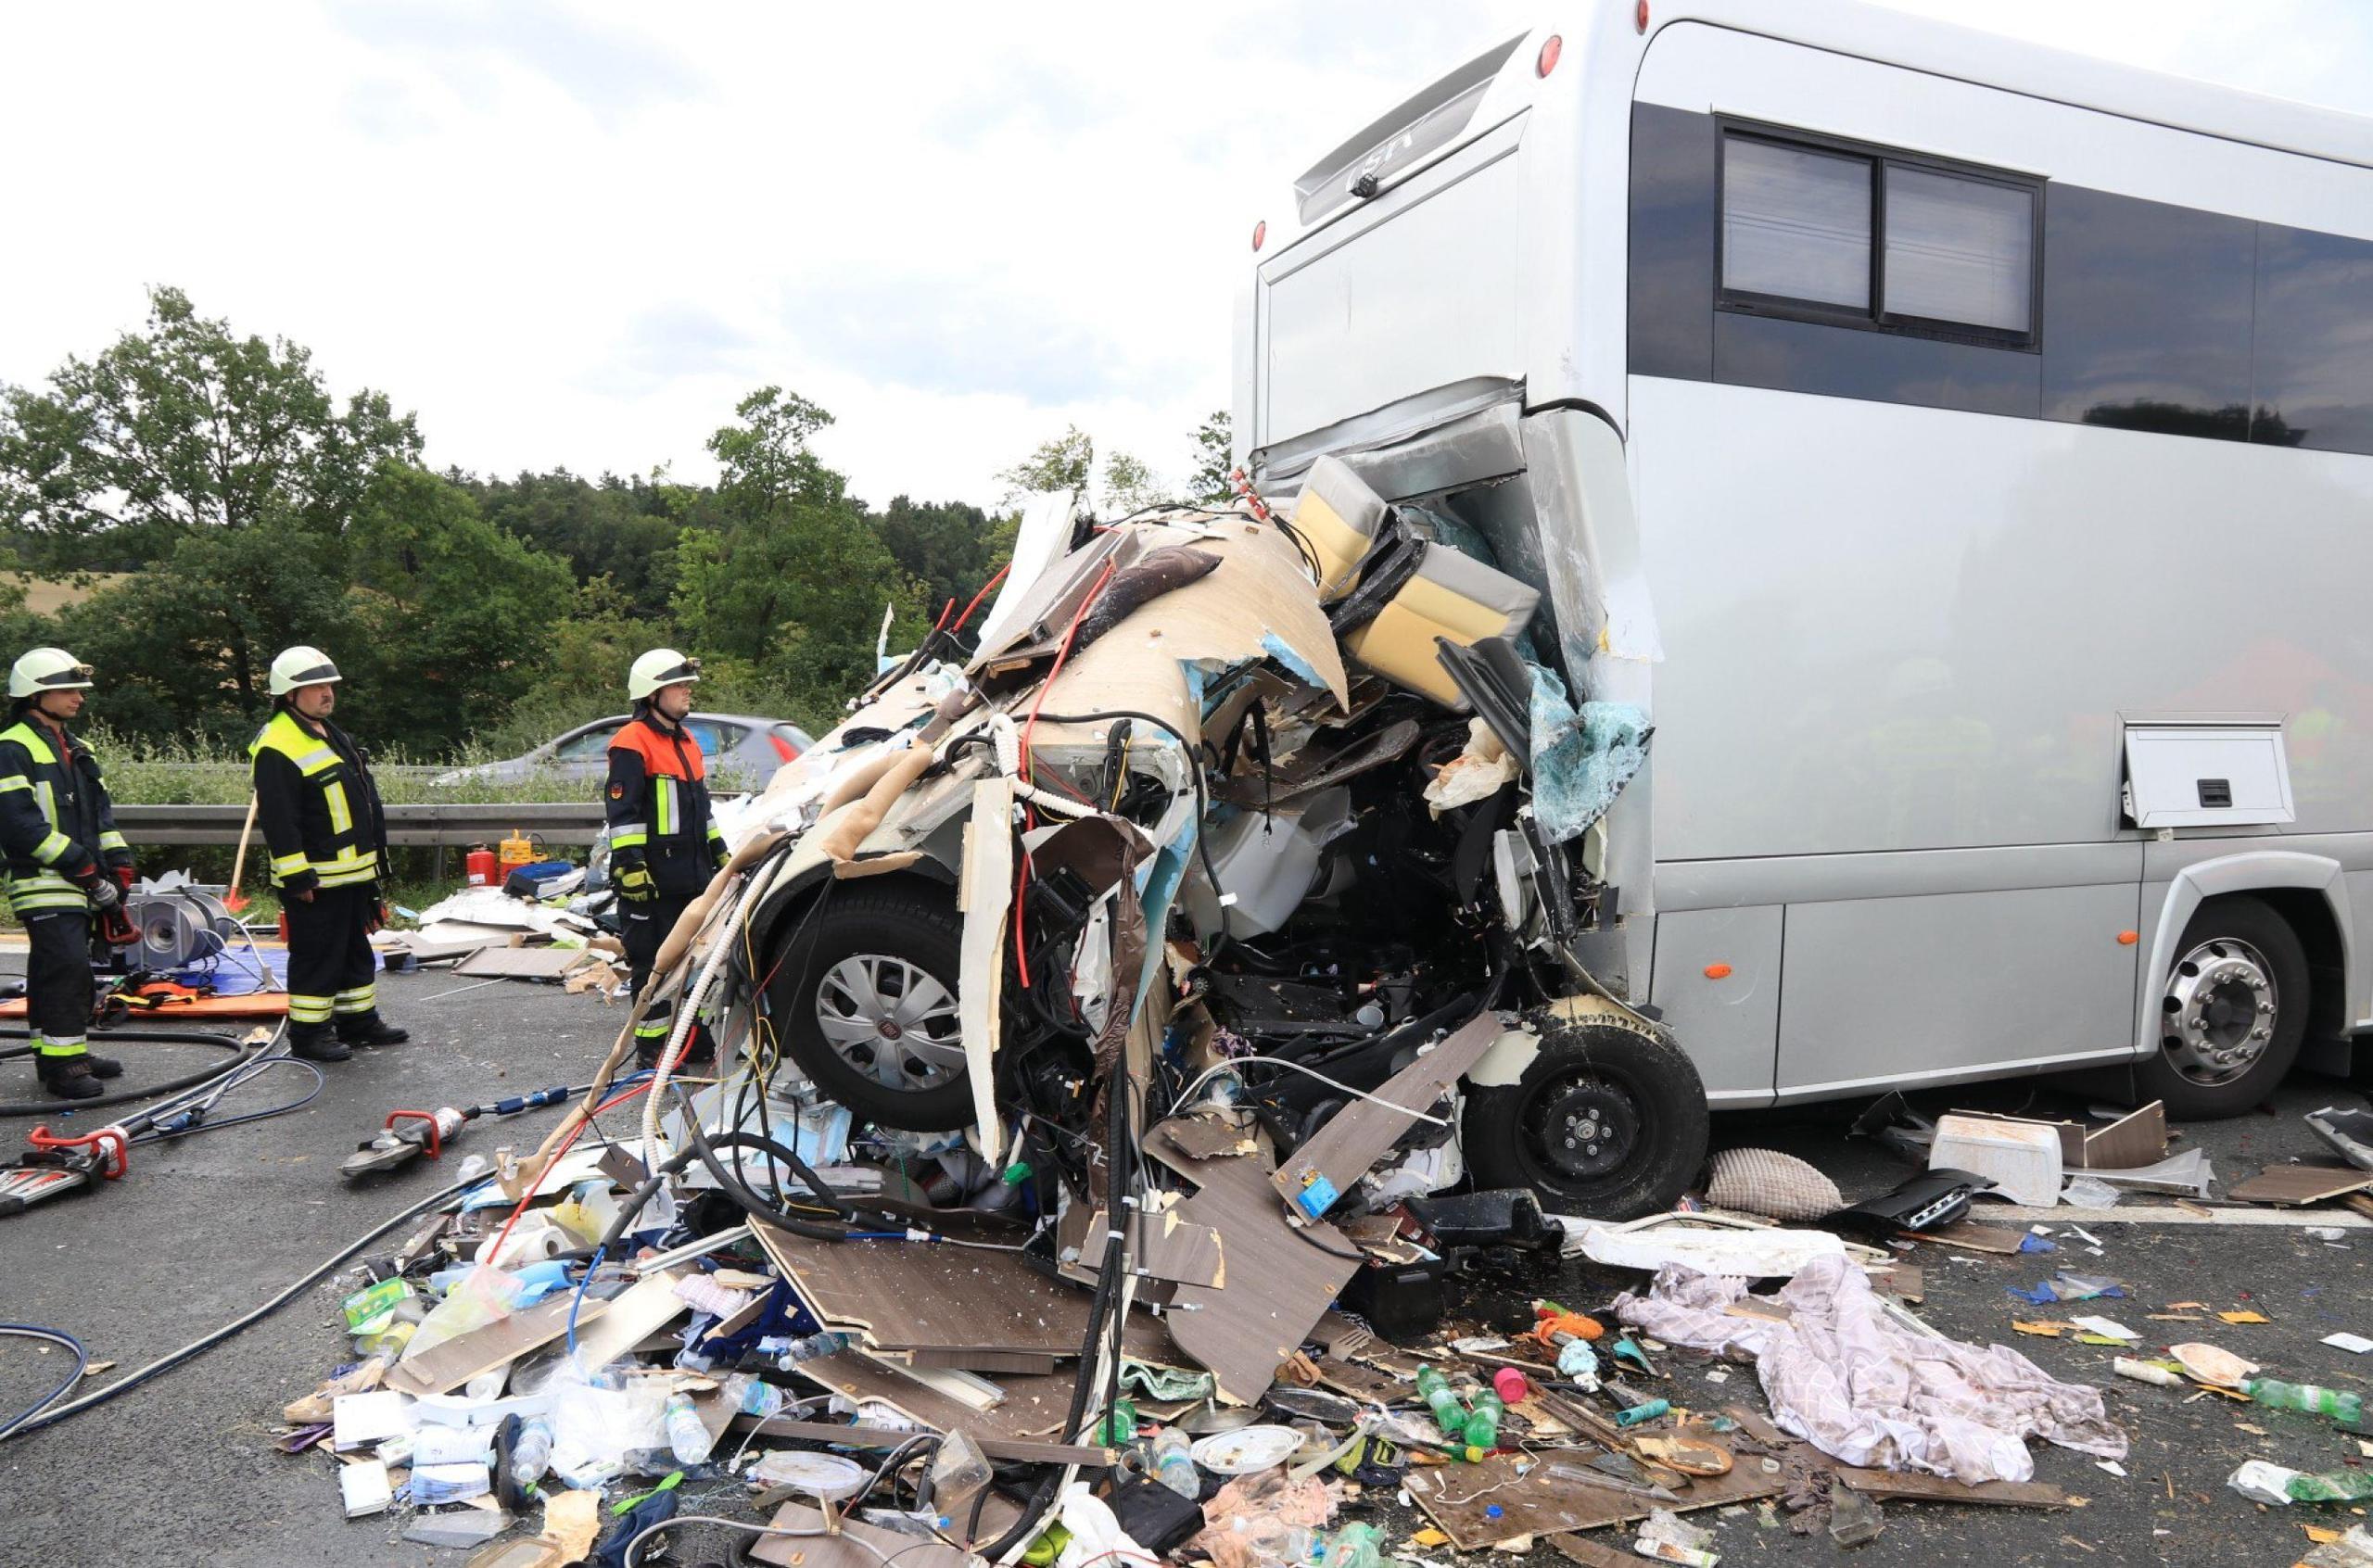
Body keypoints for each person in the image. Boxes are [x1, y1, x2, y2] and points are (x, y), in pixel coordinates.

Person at [250, 646, 406, 1062]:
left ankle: (358, 1022)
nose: (326, 693)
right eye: (315, 686)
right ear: (289, 694)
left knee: (355, 950)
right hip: (316, 877)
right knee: (317, 956)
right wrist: (297, 876)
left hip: (352, 871)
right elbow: (280, 820)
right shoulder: (277, 745)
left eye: (329, 684)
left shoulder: (329, 732)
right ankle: (310, 1035)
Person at [0, 649, 133, 1099]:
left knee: (52, 970)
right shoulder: (12, 749)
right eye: (69, 690)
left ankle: (58, 1051)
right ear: (37, 695)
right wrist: (80, 863)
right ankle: (65, 1067)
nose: (79, 698)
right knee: (67, 969)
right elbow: (18, 823)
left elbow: (100, 819)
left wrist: (119, 866)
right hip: (41, 880)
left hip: (83, 881)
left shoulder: (78, 749)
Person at [606, 649, 729, 1069]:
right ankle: (653, 1048)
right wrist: (632, 868)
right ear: (653, 693)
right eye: (679, 686)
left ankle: (689, 1038)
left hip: (692, 878)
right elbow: (624, 817)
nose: (687, 692)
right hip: (651, 881)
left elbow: (701, 811)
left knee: (691, 966)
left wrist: (721, 852)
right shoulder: (631, 743)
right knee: (653, 967)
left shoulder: (686, 741)